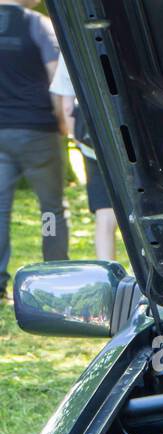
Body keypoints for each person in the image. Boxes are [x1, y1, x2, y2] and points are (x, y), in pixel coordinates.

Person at [0, 0, 69, 302]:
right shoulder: (37, 25)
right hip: (38, 130)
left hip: (1, 130)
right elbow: (56, 77)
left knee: (0, 211)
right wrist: (62, 124)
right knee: (50, 209)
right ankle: (54, 279)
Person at [50, 55, 117, 262]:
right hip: (138, 142)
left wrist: (77, 138)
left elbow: (67, 105)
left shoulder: (72, 38)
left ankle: (109, 275)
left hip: (94, 144)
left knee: (105, 216)